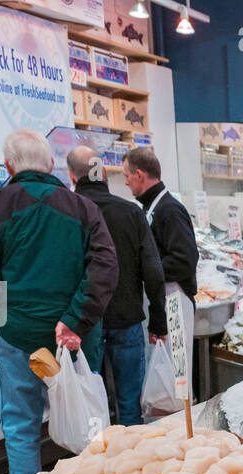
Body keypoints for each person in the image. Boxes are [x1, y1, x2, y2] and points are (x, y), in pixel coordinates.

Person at [0, 129, 117, 474]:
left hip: (19, 337)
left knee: (21, 425)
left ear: (8, 166)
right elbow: (106, 266)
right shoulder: (83, 207)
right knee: (87, 418)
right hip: (76, 339)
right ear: (50, 164)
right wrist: (75, 319)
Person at [67, 145, 166, 427]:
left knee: (90, 406)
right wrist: (158, 322)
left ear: (73, 178)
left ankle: (97, 465)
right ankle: (132, 465)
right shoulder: (131, 213)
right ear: (104, 176)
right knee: (129, 404)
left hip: (85, 324)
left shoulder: (67, 213)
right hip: (127, 321)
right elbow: (154, 271)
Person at [122, 147, 198, 303]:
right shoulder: (149, 206)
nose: (125, 182)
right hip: (161, 297)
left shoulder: (170, 210)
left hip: (176, 300)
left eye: (127, 176)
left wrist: (144, 269)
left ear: (139, 175)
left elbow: (184, 260)